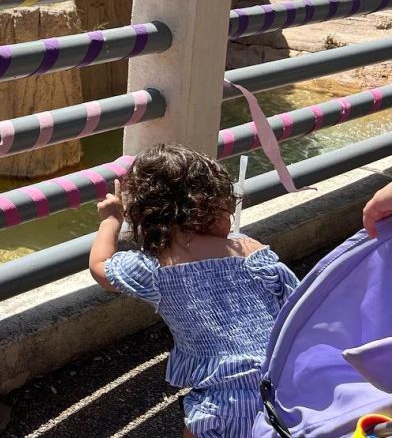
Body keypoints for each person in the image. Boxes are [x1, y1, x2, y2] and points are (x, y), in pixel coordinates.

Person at [89, 143, 300, 438]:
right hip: (288, 385)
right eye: (228, 208)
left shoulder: (156, 268)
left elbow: (100, 266)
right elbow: (299, 306)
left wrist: (111, 220)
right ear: (209, 208)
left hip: (225, 401)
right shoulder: (252, 251)